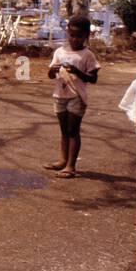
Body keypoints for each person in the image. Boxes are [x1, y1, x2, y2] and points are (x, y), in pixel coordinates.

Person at [44, 16, 100, 179]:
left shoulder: (87, 55)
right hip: (60, 95)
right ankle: (62, 160)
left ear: (86, 36)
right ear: (67, 33)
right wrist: (52, 70)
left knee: (73, 131)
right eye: (72, 35)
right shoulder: (59, 52)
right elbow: (50, 75)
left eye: (79, 36)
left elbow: (93, 78)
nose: (75, 39)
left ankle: (71, 166)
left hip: (77, 97)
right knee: (64, 130)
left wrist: (77, 72)